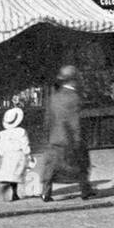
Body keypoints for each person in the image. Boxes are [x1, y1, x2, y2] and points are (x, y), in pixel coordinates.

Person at [40, 66, 95, 202]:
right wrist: (79, 140)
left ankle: (45, 193)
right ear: (73, 80)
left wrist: (48, 136)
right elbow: (75, 122)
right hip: (71, 139)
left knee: (51, 167)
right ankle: (85, 191)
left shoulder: (54, 97)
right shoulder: (75, 98)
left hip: (55, 138)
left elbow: (48, 119)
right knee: (81, 164)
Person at [0, 108, 32, 202]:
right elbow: (25, 143)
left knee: (9, 175)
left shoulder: (3, 133)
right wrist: (27, 152)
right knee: (16, 175)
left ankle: (13, 193)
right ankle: (12, 192)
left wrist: (2, 154)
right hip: (18, 155)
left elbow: (1, 147)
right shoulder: (21, 131)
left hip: (8, 156)